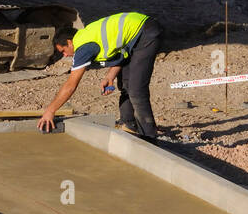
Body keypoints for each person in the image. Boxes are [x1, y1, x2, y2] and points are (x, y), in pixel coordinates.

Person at [38, 12, 163, 142]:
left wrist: (50, 111)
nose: (64, 55)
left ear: (69, 42)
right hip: (139, 31)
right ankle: (129, 125)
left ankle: (149, 137)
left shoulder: (83, 46)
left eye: (63, 51)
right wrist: (110, 76)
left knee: (137, 90)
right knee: (126, 86)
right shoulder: (88, 35)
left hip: (146, 32)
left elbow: (71, 85)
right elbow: (121, 53)